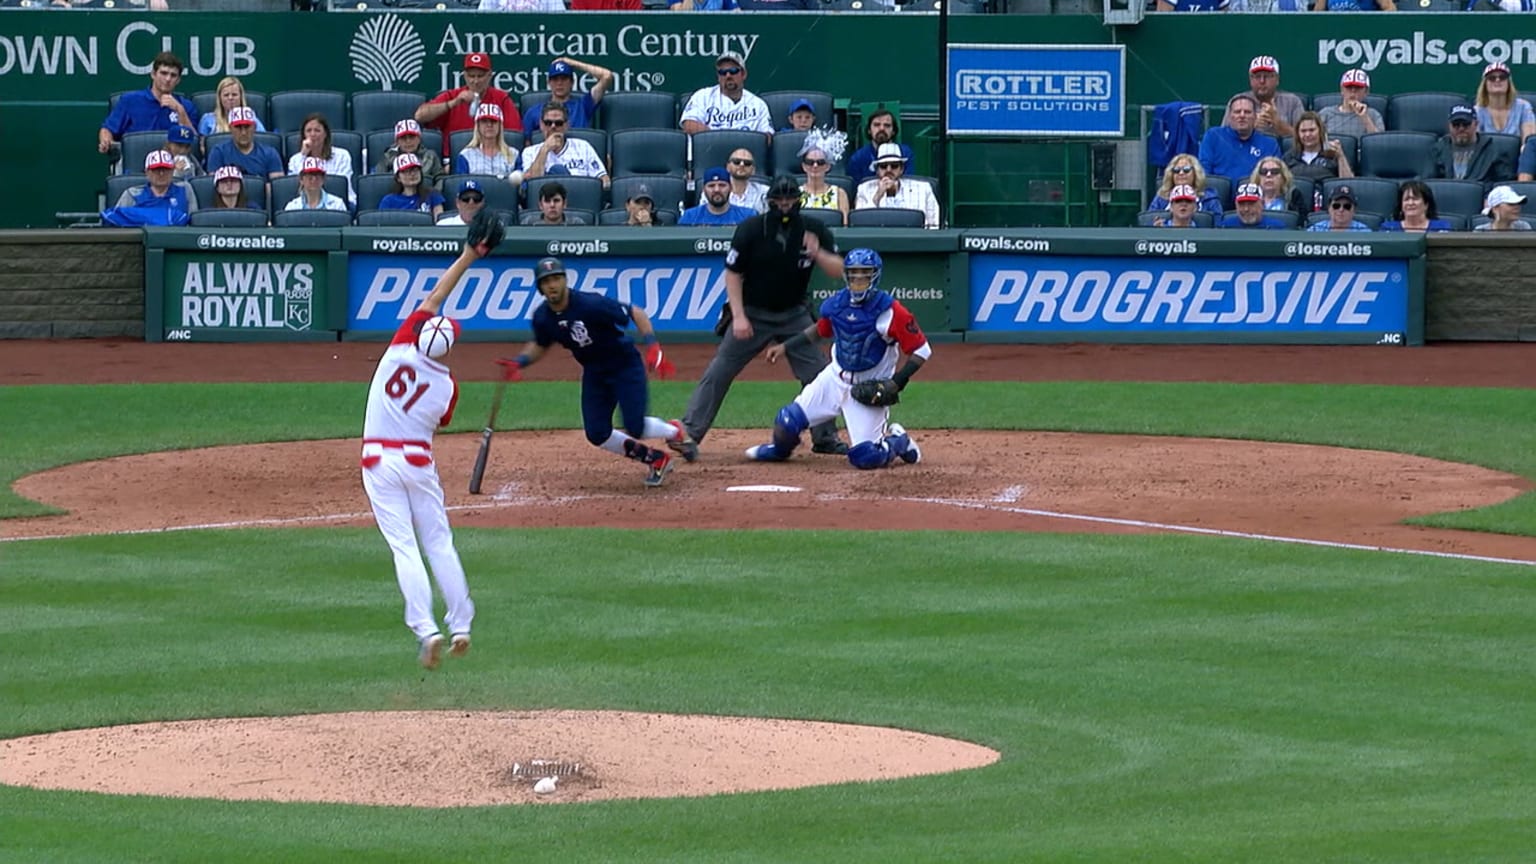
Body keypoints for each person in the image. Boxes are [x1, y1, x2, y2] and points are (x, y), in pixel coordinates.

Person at [361, 222, 493, 669]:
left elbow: (434, 295)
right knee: (439, 543)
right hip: (418, 463)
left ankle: (426, 630)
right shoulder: (446, 387)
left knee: (404, 548)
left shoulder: (398, 349)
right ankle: (461, 625)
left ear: (418, 334)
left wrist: (469, 255)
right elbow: (443, 419)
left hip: (378, 461)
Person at [672, 174, 849, 460]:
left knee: (819, 375)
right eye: (779, 200)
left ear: (798, 200)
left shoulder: (814, 229)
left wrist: (818, 253)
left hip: (794, 313)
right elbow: (733, 273)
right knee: (720, 370)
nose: (785, 204)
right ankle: (690, 433)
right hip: (753, 313)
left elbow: (838, 269)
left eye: (790, 199)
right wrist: (739, 316)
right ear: (770, 202)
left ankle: (825, 436)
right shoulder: (751, 229)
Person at [495, 256, 687, 489]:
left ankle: (674, 431)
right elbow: (541, 344)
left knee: (634, 426)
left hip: (624, 365)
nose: (552, 285)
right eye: (546, 281)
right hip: (595, 373)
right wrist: (520, 362)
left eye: (556, 279)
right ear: (540, 287)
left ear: (565, 280)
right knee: (597, 433)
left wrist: (652, 345)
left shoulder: (591, 304)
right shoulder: (543, 317)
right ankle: (655, 458)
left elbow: (635, 312)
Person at [743, 248, 930, 470]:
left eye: (864, 273)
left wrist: (897, 382)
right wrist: (786, 346)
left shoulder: (891, 311)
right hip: (833, 379)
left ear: (875, 275)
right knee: (786, 421)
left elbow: (922, 350)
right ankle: (778, 451)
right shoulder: (837, 304)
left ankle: (898, 442)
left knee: (866, 457)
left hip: (867, 388)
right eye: (853, 274)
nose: (858, 279)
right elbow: (820, 330)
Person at [414, 52, 522, 158]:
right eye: (471, 76)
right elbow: (419, 116)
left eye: (480, 76)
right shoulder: (453, 96)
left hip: (492, 158)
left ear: (489, 76)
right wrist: (453, 103)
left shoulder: (501, 98)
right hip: (454, 161)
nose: (475, 81)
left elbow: (514, 135)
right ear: (465, 76)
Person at [98, 51, 199, 158]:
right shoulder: (130, 100)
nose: (168, 79)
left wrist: (180, 111)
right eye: (163, 73)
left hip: (175, 168)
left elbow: (195, 143)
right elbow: (107, 129)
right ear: (153, 74)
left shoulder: (186, 106)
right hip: (137, 164)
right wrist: (106, 141)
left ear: (178, 80)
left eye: (173, 75)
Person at [679, 53, 774, 139]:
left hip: (745, 155)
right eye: (723, 72)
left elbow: (768, 137)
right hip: (710, 152)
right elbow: (689, 125)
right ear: (718, 77)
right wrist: (722, 141)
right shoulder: (702, 96)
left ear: (743, 74)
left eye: (733, 71)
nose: (728, 76)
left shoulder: (758, 104)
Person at [519, 102, 609, 188]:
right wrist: (545, 149)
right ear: (541, 125)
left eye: (558, 123)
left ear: (567, 125)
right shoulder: (529, 152)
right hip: (547, 202)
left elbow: (603, 179)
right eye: (548, 123)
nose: (553, 127)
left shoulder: (583, 147)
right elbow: (533, 185)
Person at [854, 143, 941, 229]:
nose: (889, 170)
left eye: (894, 166)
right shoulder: (864, 189)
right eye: (883, 166)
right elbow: (860, 225)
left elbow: (936, 224)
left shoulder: (923, 189)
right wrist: (877, 196)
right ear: (877, 170)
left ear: (901, 169)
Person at [1200, 94, 1282, 185]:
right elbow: (1203, 173)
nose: (1242, 115)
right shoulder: (1213, 136)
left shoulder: (1269, 144)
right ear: (1230, 116)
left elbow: (1275, 178)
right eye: (1237, 112)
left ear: (1255, 116)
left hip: (1256, 196)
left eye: (1247, 112)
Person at [520, 58, 614, 133]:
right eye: (555, 79)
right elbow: (526, 144)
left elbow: (607, 76)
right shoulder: (534, 112)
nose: (559, 83)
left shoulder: (583, 105)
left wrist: (573, 63)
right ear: (548, 82)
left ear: (572, 82)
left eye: (564, 79)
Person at [1434, 104, 1518, 183]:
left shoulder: (1494, 151)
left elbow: (1504, 184)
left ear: (1476, 124)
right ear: (1449, 126)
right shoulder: (1438, 150)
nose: (1461, 128)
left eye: (1466, 124)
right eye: (1456, 125)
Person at [108, 149, 197, 223]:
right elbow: (116, 221)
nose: (161, 173)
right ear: (147, 172)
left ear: (172, 170)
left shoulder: (185, 190)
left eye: (166, 169)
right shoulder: (132, 195)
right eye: (156, 170)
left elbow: (194, 223)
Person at [1225, 56, 1304, 140]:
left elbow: (1305, 138)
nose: (1262, 81)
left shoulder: (1292, 101)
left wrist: (1278, 124)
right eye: (1257, 76)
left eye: (1267, 76)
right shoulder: (1238, 101)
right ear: (1250, 79)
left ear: (1277, 79)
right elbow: (1223, 137)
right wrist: (1249, 126)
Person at [287, 113, 355, 204]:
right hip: (306, 202)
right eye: (308, 131)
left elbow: (340, 186)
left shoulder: (342, 155)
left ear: (325, 134)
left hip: (339, 202)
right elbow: (296, 186)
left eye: (317, 130)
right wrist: (303, 156)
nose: (312, 134)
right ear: (304, 135)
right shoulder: (295, 160)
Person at [454, 103, 524, 187]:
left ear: (500, 125)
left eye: (493, 121)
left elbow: (521, 187)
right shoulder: (466, 155)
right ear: (478, 126)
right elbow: (462, 186)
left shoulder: (513, 154)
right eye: (484, 121)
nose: (489, 125)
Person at [204, 107, 283, 180]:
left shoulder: (270, 153)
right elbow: (214, 185)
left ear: (254, 127)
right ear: (230, 128)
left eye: (247, 127)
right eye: (238, 127)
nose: (243, 132)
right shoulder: (218, 152)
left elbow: (277, 187)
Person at [1285, 111, 1354, 184]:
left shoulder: (1333, 156)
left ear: (1321, 131)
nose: (1307, 134)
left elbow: (1348, 183)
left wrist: (1340, 156)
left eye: (1312, 130)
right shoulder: (1289, 157)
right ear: (1298, 134)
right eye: (1303, 131)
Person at [798, 129, 851, 224]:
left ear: (828, 166)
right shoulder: (795, 194)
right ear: (804, 166)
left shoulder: (840, 194)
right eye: (810, 162)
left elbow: (845, 226)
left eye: (820, 162)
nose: (815, 166)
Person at [374, 119, 444, 189]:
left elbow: (440, 177)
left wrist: (434, 194)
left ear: (419, 139)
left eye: (412, 137)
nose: (408, 141)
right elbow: (380, 180)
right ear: (397, 141)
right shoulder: (388, 156)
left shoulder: (430, 156)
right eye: (403, 138)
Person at [847, 110, 911, 185]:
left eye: (887, 125)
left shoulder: (905, 153)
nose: (881, 128)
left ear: (893, 131)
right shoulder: (857, 158)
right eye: (876, 125)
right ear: (869, 130)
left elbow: (909, 184)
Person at [1148, 153, 1224, 217]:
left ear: (1195, 173)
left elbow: (1218, 227)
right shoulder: (1161, 198)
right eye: (1176, 170)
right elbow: (1149, 222)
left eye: (1186, 169)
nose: (1181, 173)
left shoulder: (1209, 199)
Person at [1475, 62, 1536, 140]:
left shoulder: (1523, 107)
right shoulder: (1477, 111)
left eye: (1502, 77)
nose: (1497, 80)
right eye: (1492, 78)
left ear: (1509, 83)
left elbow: (1529, 141)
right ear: (1485, 84)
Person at [678, 167, 757, 226]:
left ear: (731, 188)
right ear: (704, 190)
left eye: (722, 185)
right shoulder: (690, 217)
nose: (717, 190)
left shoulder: (748, 216)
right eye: (711, 186)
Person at [1317, 69, 1383, 139]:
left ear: (1366, 91)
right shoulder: (1326, 113)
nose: (1353, 91)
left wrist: (1365, 118)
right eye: (1349, 87)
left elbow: (1378, 142)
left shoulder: (1374, 115)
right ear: (1342, 90)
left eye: (1358, 87)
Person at [196, 76, 267, 138]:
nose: (230, 98)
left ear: (241, 97)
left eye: (234, 94)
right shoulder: (207, 120)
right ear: (219, 98)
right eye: (226, 95)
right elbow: (202, 147)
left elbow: (263, 140)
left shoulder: (251, 117)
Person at [379, 153, 446, 218]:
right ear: (398, 178)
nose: (413, 174)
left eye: (416, 170)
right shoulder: (389, 201)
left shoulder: (433, 195)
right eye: (407, 171)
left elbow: (439, 223)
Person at [1380, 180, 1453, 232]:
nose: (1410, 203)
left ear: (1426, 204)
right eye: (1406, 199)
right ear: (1401, 206)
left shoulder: (1441, 227)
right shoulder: (1388, 229)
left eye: (1415, 199)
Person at [284, 157, 349, 213]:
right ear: (301, 179)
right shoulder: (292, 208)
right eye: (309, 175)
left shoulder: (337, 205)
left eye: (317, 175)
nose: (314, 179)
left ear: (323, 179)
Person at [518, 181, 589, 225]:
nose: (552, 205)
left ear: (564, 204)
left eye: (556, 201)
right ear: (540, 205)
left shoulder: (576, 224)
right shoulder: (528, 223)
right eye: (547, 201)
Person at [1220, 183, 1287, 229]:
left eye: (1251, 204)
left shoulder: (1277, 228)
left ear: (1262, 204)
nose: (1246, 209)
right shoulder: (1224, 227)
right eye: (1241, 204)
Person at [1308, 186, 1372, 231]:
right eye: (1336, 206)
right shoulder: (1316, 229)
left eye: (1347, 206)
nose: (1341, 210)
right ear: (1329, 208)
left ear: (1354, 210)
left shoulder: (1364, 231)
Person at [725, 148, 767, 212]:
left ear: (753, 170)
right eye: (737, 161)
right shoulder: (714, 190)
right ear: (728, 167)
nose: (742, 165)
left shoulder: (764, 192)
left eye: (747, 163)